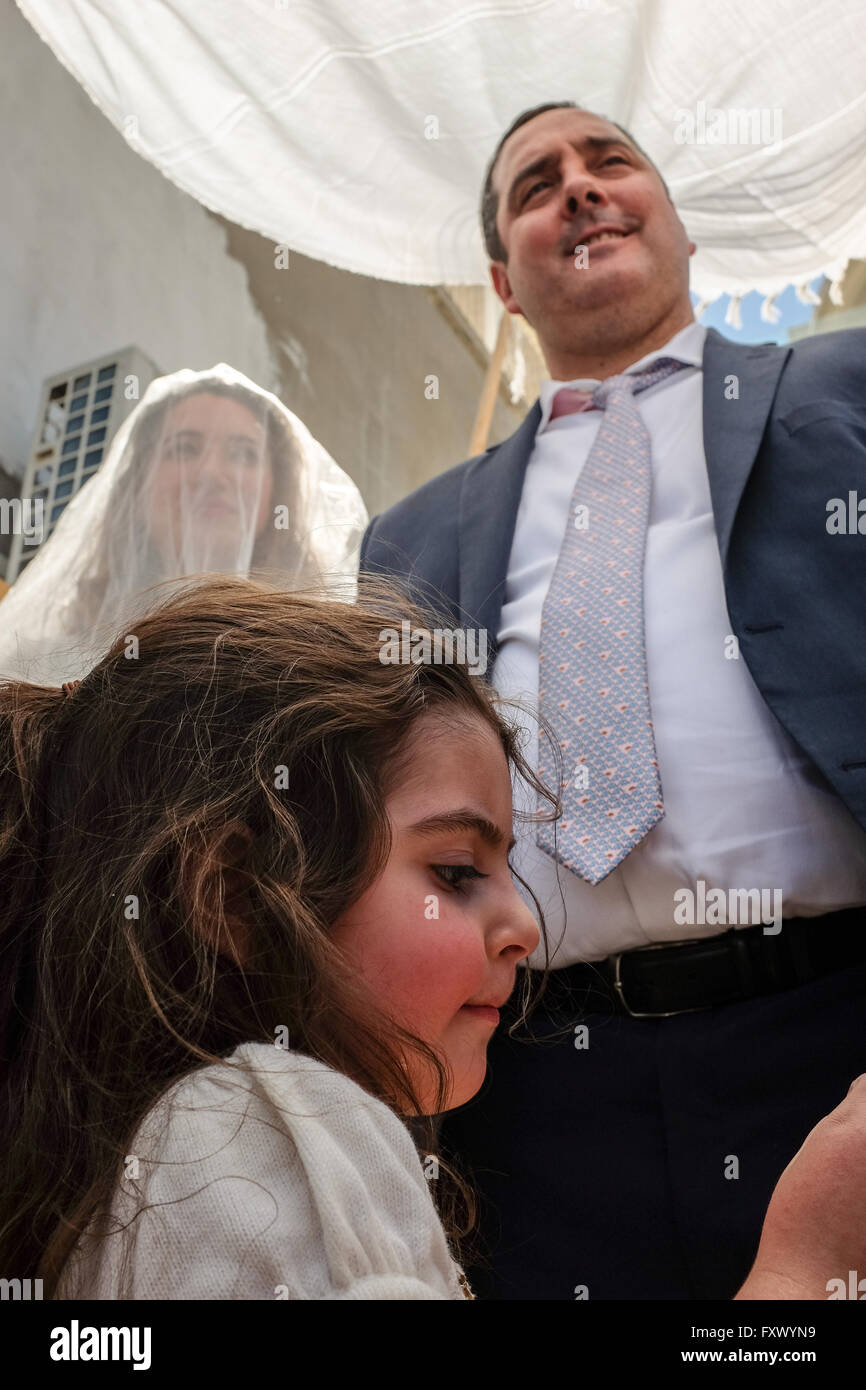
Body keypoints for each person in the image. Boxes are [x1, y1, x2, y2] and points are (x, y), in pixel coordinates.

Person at [1, 573, 865, 1303]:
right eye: (455, 871)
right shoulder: (263, 1131)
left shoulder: (156, 1147)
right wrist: (806, 1268)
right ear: (235, 900)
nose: (526, 929)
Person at [359, 101, 866, 1299]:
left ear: (682, 234)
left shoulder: (841, 384)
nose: (577, 190)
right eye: (536, 184)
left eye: (609, 163)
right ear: (503, 279)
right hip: (536, 1095)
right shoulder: (411, 530)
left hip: (831, 1034)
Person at [0, 364, 368, 684]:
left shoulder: (324, 667)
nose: (211, 474)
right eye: (184, 449)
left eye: (243, 454)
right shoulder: (37, 662)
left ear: (278, 492)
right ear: (138, 488)